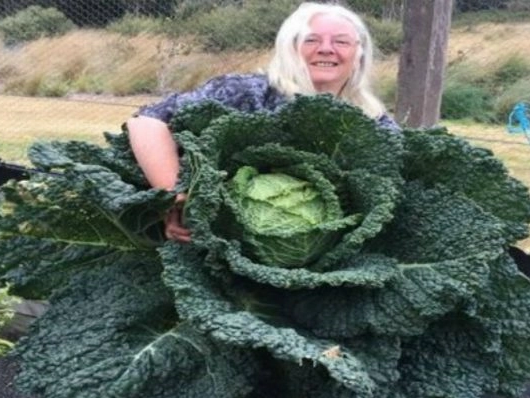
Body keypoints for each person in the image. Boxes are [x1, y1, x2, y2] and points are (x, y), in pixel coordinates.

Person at [126, 1, 396, 243]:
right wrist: (176, 197)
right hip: (213, 246)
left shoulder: (373, 124)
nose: (326, 49)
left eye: (341, 42)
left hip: (332, 265)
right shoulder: (247, 95)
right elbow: (147, 122)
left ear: (359, 54)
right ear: (290, 48)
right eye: (311, 40)